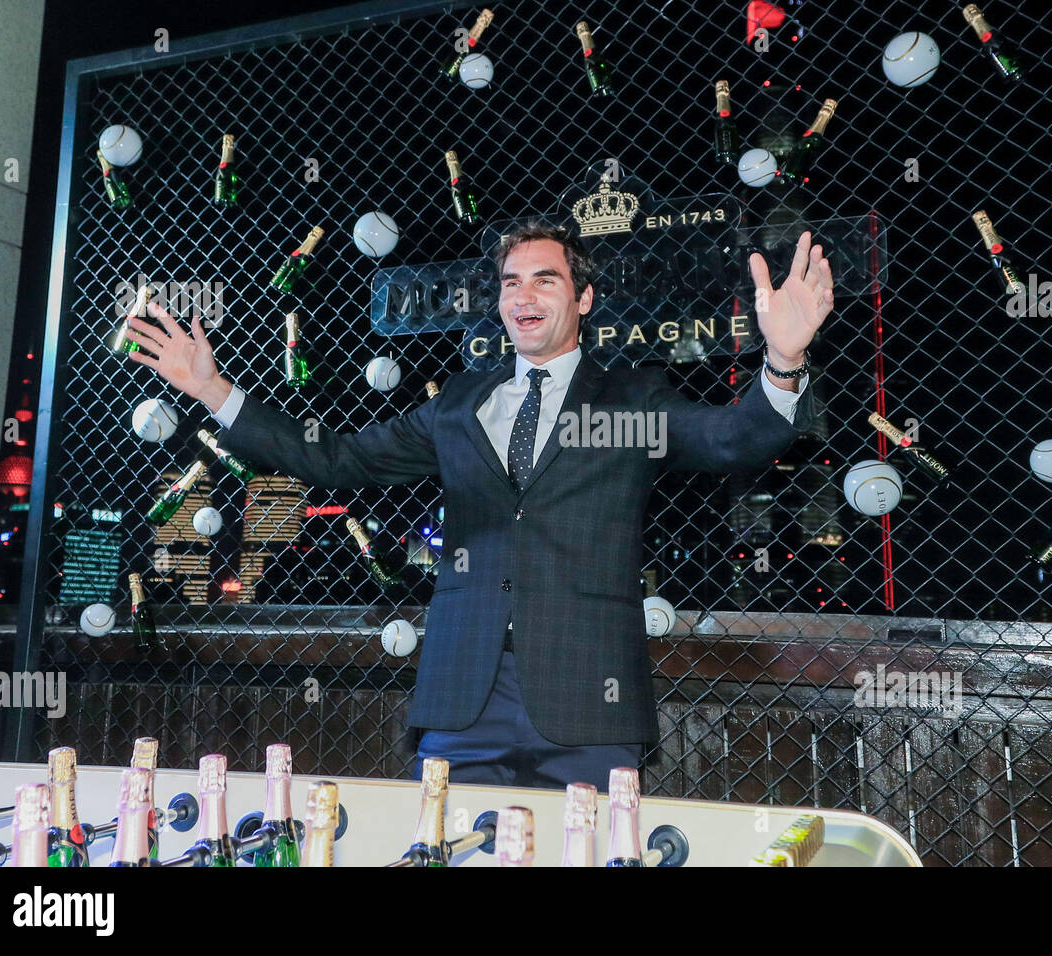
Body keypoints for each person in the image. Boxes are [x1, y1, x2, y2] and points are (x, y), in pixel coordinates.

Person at [125, 221, 834, 789]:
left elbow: (736, 438)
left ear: (583, 299)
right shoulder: (461, 403)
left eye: (546, 279)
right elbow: (333, 458)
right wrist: (214, 390)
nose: (524, 294)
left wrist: (783, 363)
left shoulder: (630, 401)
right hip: (462, 701)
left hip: (589, 702)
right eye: (511, 281)